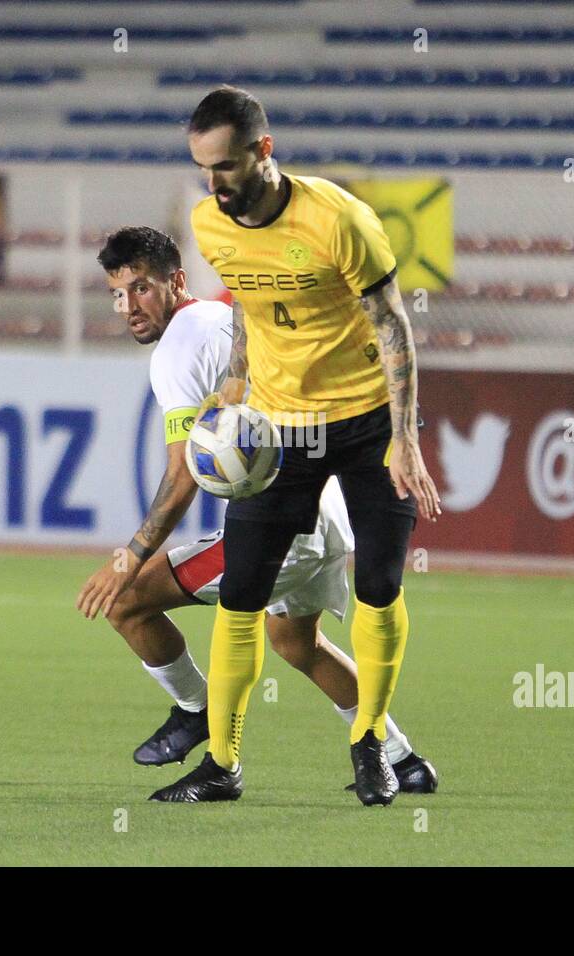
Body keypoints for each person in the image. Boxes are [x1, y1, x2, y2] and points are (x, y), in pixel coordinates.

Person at [149, 87, 441, 807]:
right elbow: (248, 300)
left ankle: (370, 742)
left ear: (264, 152)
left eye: (224, 167)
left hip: (367, 423)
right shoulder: (209, 225)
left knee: (378, 585)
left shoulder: (339, 219)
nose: (213, 183)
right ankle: (222, 764)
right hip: (278, 433)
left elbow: (393, 326)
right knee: (242, 598)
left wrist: (405, 437)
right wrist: (240, 378)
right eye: (202, 169)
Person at [75, 226, 437, 795]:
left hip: (283, 529)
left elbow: (181, 475)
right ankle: (402, 757)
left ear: (176, 281)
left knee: (128, 601)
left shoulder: (176, 350)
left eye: (141, 288)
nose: (129, 307)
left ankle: (198, 714)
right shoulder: (229, 316)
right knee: (297, 643)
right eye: (118, 293)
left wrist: (128, 556)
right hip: (328, 514)